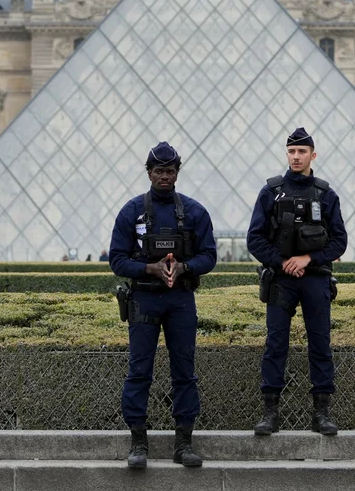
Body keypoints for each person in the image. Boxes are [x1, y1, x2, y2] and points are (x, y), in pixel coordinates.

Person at [109, 141, 217, 469]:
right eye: (159, 171)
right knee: (139, 370)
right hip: (143, 297)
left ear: (177, 173)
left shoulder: (195, 212)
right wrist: (149, 268)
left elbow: (209, 255)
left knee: (184, 371)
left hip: (180, 298)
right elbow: (117, 259)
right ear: (149, 173)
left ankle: (183, 442)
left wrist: (183, 267)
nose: (164, 177)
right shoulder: (131, 212)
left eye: (170, 171)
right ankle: (138, 442)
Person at [247, 127, 347, 436]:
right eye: (291, 151)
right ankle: (270, 413)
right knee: (275, 344)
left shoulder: (326, 194)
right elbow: (255, 240)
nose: (296, 156)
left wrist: (307, 259)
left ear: (312, 155)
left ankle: (322, 413)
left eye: (302, 151)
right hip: (281, 281)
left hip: (315, 279)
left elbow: (339, 242)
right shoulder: (271, 192)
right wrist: (282, 263)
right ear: (286, 153)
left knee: (321, 344)